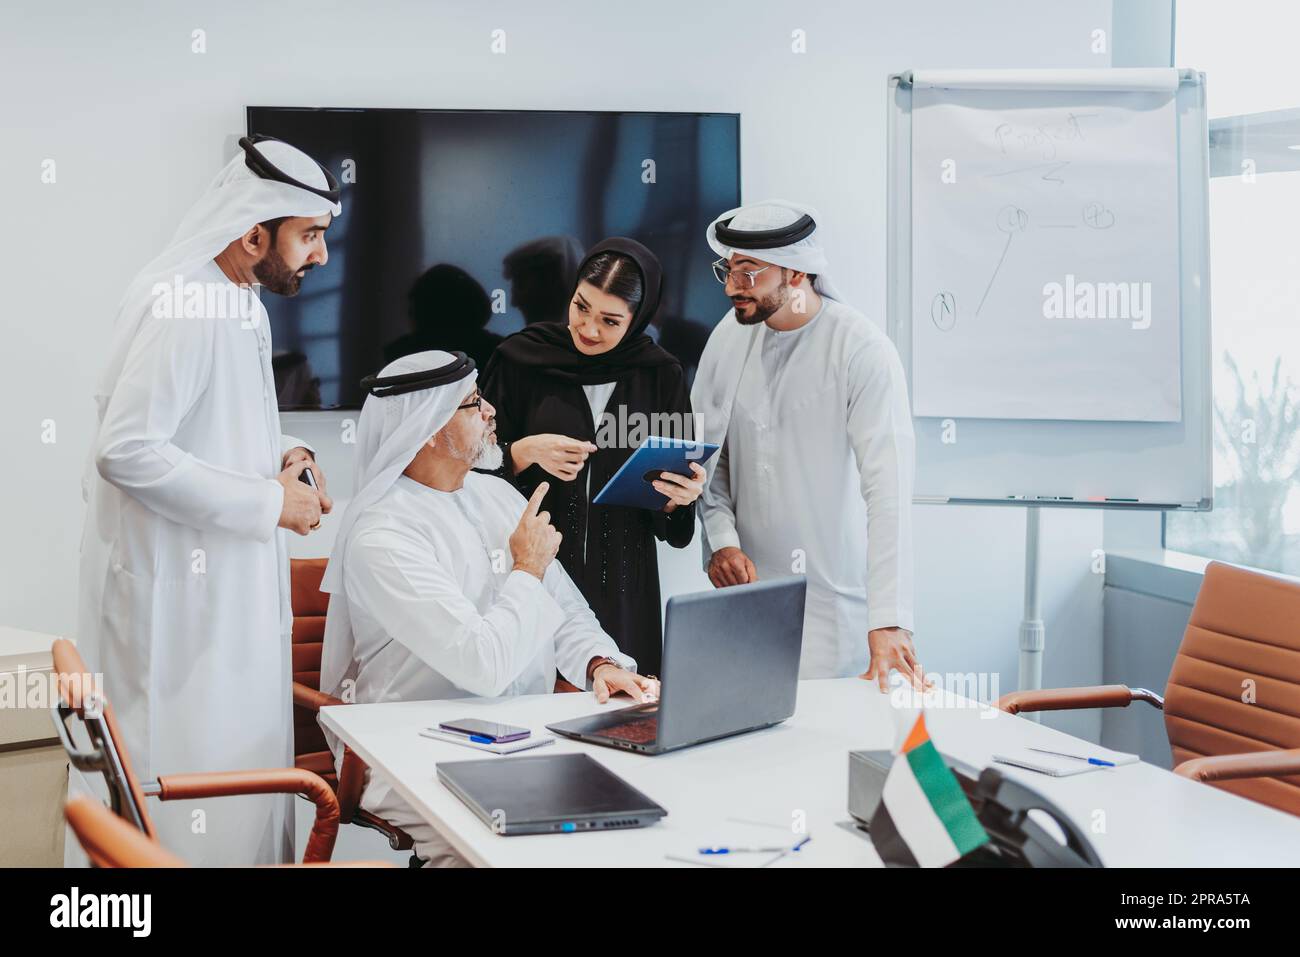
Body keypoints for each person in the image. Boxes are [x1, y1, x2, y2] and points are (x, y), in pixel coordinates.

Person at [76, 135, 339, 866]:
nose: (320, 255)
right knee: (201, 823)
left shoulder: (238, 297)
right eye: (309, 235)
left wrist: (286, 454)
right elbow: (126, 448)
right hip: (185, 631)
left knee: (244, 803)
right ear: (254, 233)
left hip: (226, 615)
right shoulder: (190, 304)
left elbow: (215, 424)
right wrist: (269, 503)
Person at [319, 350, 657, 866]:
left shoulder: (495, 494)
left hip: (526, 737)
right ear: (429, 427)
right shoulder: (382, 534)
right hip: (417, 745)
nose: (492, 411)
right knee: (493, 852)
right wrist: (526, 569)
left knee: (625, 821)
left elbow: (565, 609)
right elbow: (481, 665)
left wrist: (599, 663)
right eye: (473, 404)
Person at [691, 200, 923, 688]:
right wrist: (722, 542)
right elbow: (709, 459)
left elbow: (889, 490)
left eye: (749, 272)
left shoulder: (861, 350)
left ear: (796, 273)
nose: (733, 287)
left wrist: (889, 618)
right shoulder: (728, 339)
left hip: (835, 608)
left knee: (836, 755)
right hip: (746, 600)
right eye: (729, 270)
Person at [479, 238, 704, 675]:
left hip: (623, 585)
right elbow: (467, 470)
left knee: (623, 715)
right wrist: (520, 453)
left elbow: (672, 526)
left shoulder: (660, 375)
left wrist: (680, 499)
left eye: (610, 320)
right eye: (581, 307)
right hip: (528, 574)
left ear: (638, 320)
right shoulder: (520, 360)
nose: (589, 329)